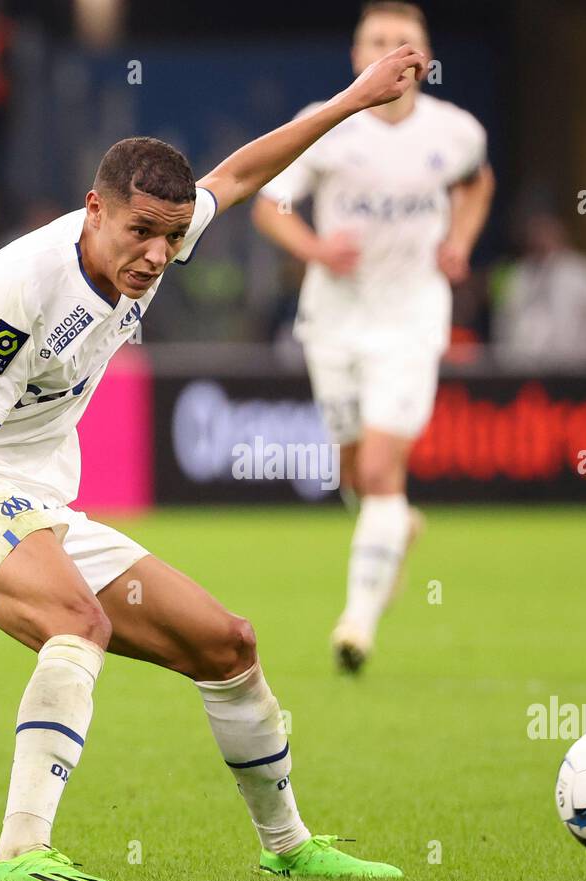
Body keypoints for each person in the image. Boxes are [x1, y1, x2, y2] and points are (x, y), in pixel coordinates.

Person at [0, 44, 430, 881]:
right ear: (93, 210)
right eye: (140, 233)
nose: (158, 256)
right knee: (77, 624)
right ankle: (19, 853)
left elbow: (243, 170)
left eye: (170, 234)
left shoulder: (163, 232)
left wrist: (352, 98)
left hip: (38, 497)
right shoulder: (15, 292)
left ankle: (289, 846)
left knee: (227, 643)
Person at [251, 2, 494, 673]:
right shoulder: (324, 125)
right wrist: (317, 249)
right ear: (359, 57)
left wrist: (460, 243)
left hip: (413, 318)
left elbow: (478, 184)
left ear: (424, 58)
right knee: (356, 475)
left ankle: (357, 622)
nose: (391, 50)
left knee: (384, 470)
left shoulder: (456, 131)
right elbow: (270, 204)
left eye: (404, 41)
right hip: (333, 321)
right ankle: (397, 525)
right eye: (377, 40)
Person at [492, 209, 586, 362]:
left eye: (546, 233)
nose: (541, 239)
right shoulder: (519, 275)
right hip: (528, 367)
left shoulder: (581, 271)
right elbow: (504, 322)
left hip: (577, 366)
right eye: (536, 234)